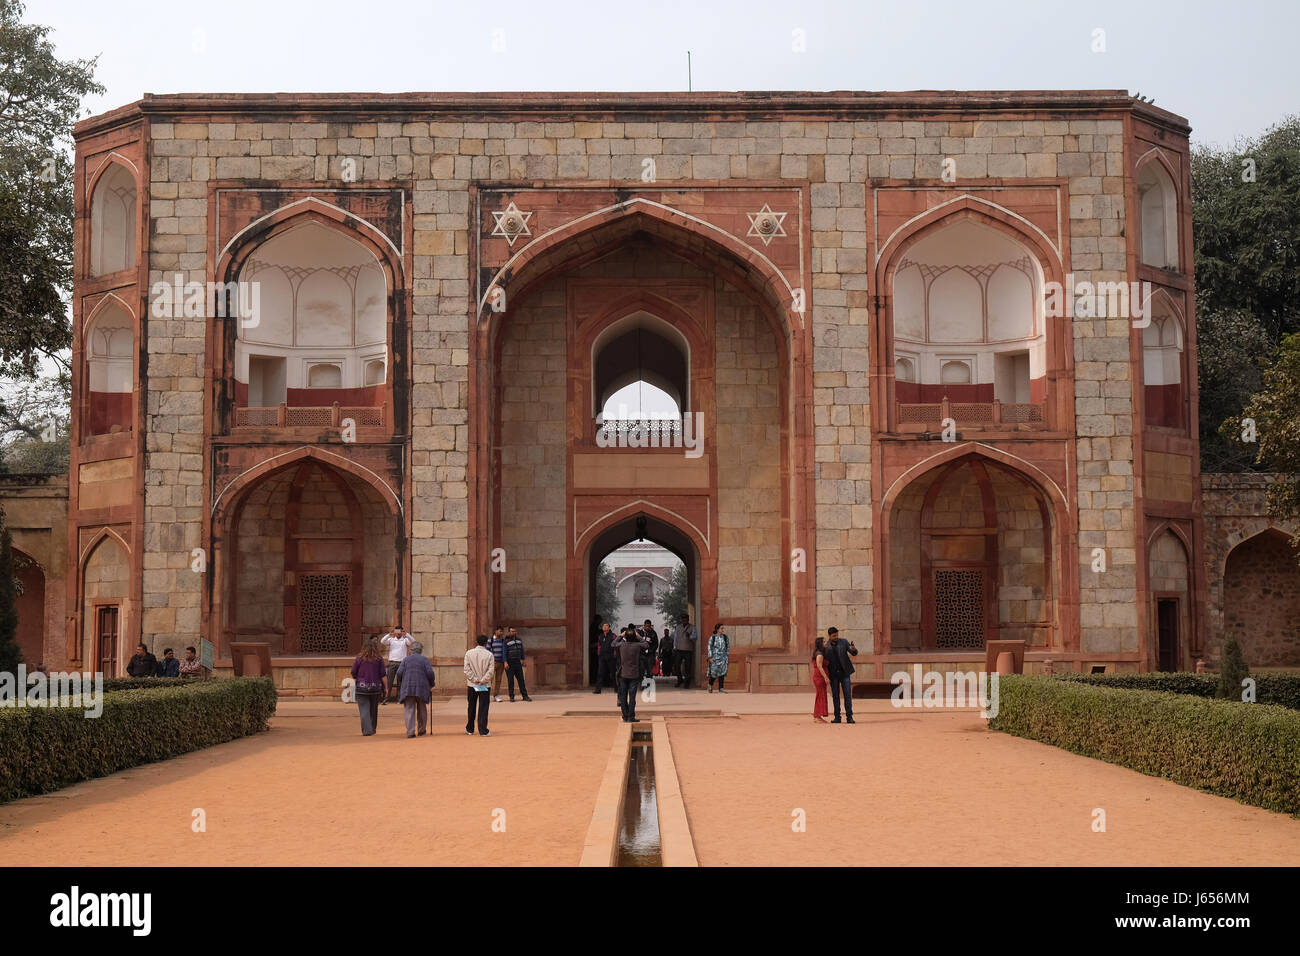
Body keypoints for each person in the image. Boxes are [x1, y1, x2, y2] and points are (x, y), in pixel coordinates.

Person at [396, 640, 436, 738]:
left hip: (408, 687)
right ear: (421, 650)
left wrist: (403, 681)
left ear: (411, 650)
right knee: (422, 708)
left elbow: (399, 673)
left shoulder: (405, 660)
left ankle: (410, 731)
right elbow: (430, 673)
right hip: (422, 687)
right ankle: (421, 729)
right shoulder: (424, 660)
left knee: (409, 709)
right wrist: (431, 683)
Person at [350, 637, 387, 736]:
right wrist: (386, 688)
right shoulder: (379, 659)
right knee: (373, 709)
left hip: (362, 687)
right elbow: (383, 674)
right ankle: (372, 728)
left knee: (364, 709)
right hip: (375, 688)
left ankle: (367, 730)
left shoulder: (359, 658)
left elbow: (353, 672)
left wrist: (357, 677)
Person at [824, 626, 859, 724]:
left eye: (837, 635)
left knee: (847, 695)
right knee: (835, 696)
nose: (836, 637)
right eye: (834, 636)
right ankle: (837, 717)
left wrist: (853, 649)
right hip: (833, 675)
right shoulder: (826, 646)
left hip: (845, 674)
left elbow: (853, 653)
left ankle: (849, 717)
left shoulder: (843, 642)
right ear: (829, 636)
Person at [614, 626, 648, 722]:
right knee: (632, 697)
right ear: (634, 637)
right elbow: (646, 645)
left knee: (623, 696)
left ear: (625, 637)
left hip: (623, 673)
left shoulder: (621, 645)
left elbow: (613, 643)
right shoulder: (637, 645)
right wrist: (639, 636)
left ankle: (625, 716)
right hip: (634, 674)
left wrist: (621, 635)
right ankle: (631, 717)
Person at [464, 634, 495, 736]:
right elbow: (491, 671)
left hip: (472, 684)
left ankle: (470, 729)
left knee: (471, 706)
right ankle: (483, 730)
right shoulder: (489, 655)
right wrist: (482, 680)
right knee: (483, 707)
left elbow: (467, 670)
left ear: (477, 642)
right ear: (486, 643)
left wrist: (475, 680)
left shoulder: (469, 653)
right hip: (484, 685)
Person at [380, 624, 413, 704]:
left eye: (400, 631)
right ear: (395, 632)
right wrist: (389, 634)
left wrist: (407, 634)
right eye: (397, 631)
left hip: (402, 663)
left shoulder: (405, 640)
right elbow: (382, 641)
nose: (398, 633)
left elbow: (413, 642)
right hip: (392, 663)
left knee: (400, 682)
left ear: (402, 632)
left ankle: (400, 699)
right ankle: (386, 698)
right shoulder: (391, 640)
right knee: (389, 682)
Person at [504, 626, 532, 702]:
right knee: (511, 681)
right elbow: (504, 652)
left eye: (515, 631)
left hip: (517, 662)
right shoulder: (506, 641)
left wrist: (523, 659)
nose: (514, 633)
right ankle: (511, 696)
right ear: (509, 632)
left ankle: (525, 696)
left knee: (521, 680)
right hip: (510, 663)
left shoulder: (519, 640)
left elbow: (522, 650)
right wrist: (505, 662)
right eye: (512, 631)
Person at [594, 621, 618, 694]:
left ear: (609, 628)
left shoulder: (613, 636)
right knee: (600, 673)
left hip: (610, 656)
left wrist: (614, 655)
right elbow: (599, 645)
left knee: (613, 673)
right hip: (602, 656)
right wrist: (599, 653)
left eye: (606, 626)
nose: (604, 627)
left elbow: (616, 645)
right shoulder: (600, 636)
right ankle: (598, 690)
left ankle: (616, 689)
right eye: (603, 626)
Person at [673, 617, 697, 688]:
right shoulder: (678, 627)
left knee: (688, 667)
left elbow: (695, 637)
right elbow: (675, 637)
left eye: (685, 620)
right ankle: (679, 680)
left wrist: (690, 636)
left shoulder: (692, 627)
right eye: (683, 619)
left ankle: (687, 683)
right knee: (677, 666)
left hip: (688, 650)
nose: (684, 621)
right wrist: (674, 646)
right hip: (679, 649)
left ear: (688, 620)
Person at [706, 623, 730, 693]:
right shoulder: (712, 638)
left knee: (722, 673)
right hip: (715, 658)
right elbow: (709, 647)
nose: (723, 630)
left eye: (723, 628)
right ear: (717, 629)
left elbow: (728, 647)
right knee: (714, 673)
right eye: (721, 628)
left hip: (723, 658)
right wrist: (710, 657)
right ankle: (710, 685)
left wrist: (726, 656)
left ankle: (721, 688)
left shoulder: (725, 637)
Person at [486, 626, 507, 702]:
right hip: (492, 663)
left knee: (498, 680)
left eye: (502, 631)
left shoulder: (502, 641)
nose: (501, 633)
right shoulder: (490, 640)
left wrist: (505, 662)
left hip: (500, 663)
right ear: (495, 631)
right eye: (499, 631)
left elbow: (504, 652)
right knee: (489, 680)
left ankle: (496, 695)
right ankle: (486, 696)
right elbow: (487, 651)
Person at [811, 637, 830, 723]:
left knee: (821, 695)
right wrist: (826, 677)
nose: (826, 643)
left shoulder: (820, 653)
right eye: (824, 641)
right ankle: (817, 716)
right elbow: (819, 666)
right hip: (820, 677)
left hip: (819, 677)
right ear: (820, 643)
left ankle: (817, 715)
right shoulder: (819, 654)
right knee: (820, 696)